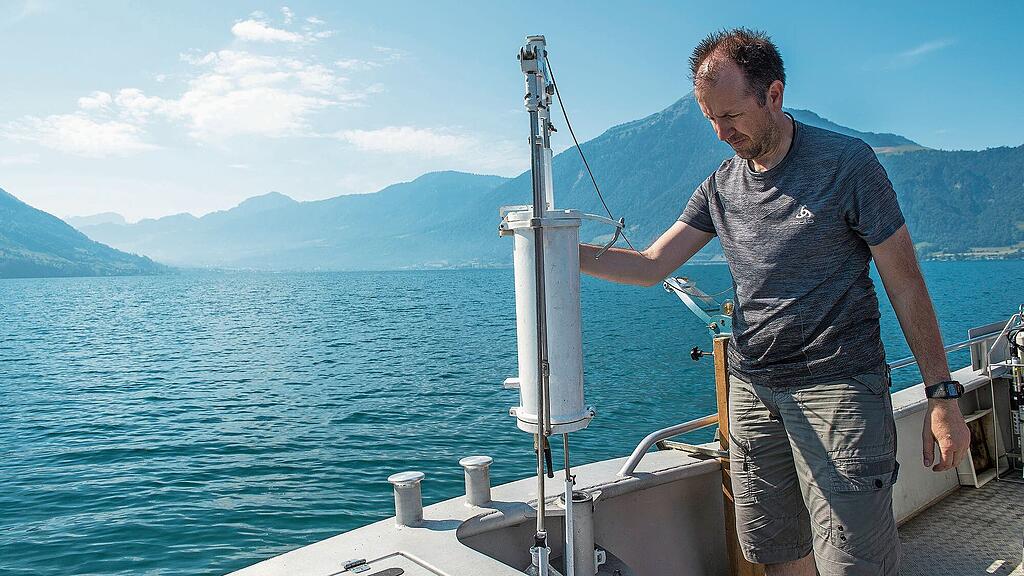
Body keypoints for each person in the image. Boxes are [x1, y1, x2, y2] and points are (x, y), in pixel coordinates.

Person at [578, 28, 970, 576]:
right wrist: (558, 251)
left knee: (854, 563)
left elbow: (905, 282)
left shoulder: (847, 165)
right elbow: (650, 265)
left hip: (840, 387)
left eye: (731, 115)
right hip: (754, 391)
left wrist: (942, 396)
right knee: (776, 553)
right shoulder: (720, 186)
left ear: (774, 95)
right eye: (710, 118)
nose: (721, 132)